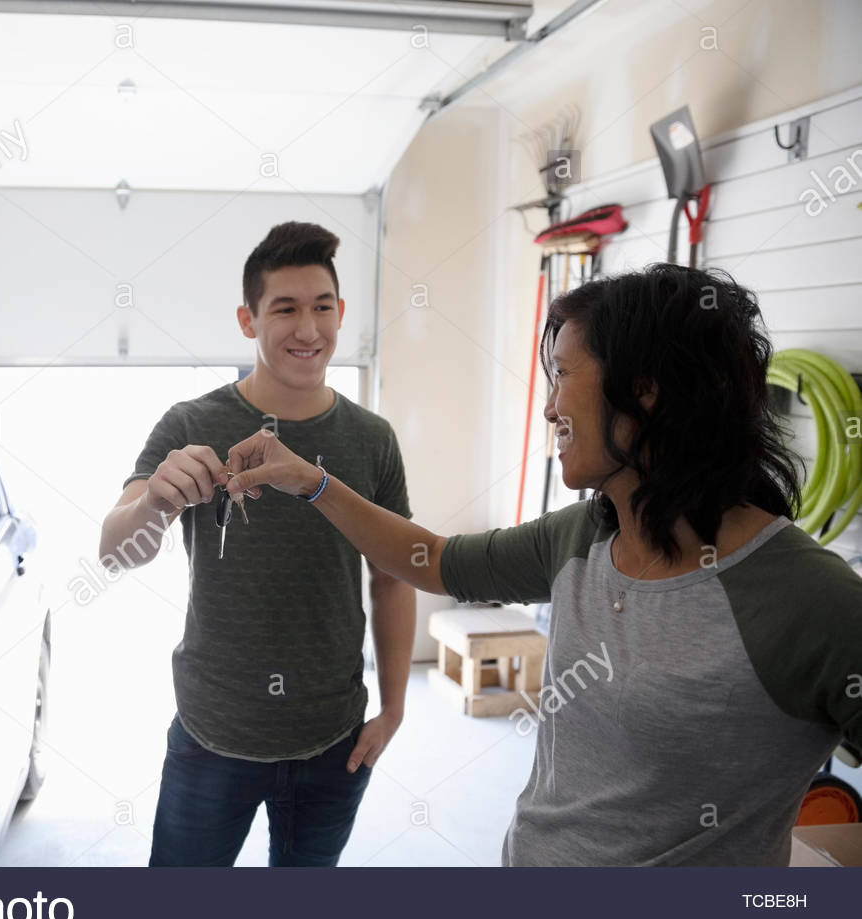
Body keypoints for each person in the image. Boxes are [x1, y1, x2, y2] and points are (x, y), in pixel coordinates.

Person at [224, 263, 862, 866]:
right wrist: (309, 480)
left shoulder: (809, 602)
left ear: (647, 393)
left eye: (562, 375)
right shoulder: (587, 537)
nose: (551, 406)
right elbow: (437, 560)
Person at [100, 221, 416, 866]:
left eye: (322, 307)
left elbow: (393, 576)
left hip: (334, 738)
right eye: (286, 309)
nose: (309, 329)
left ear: (342, 313)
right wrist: (155, 500)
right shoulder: (192, 423)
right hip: (212, 734)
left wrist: (394, 710)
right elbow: (114, 552)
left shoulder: (372, 438)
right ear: (248, 320)